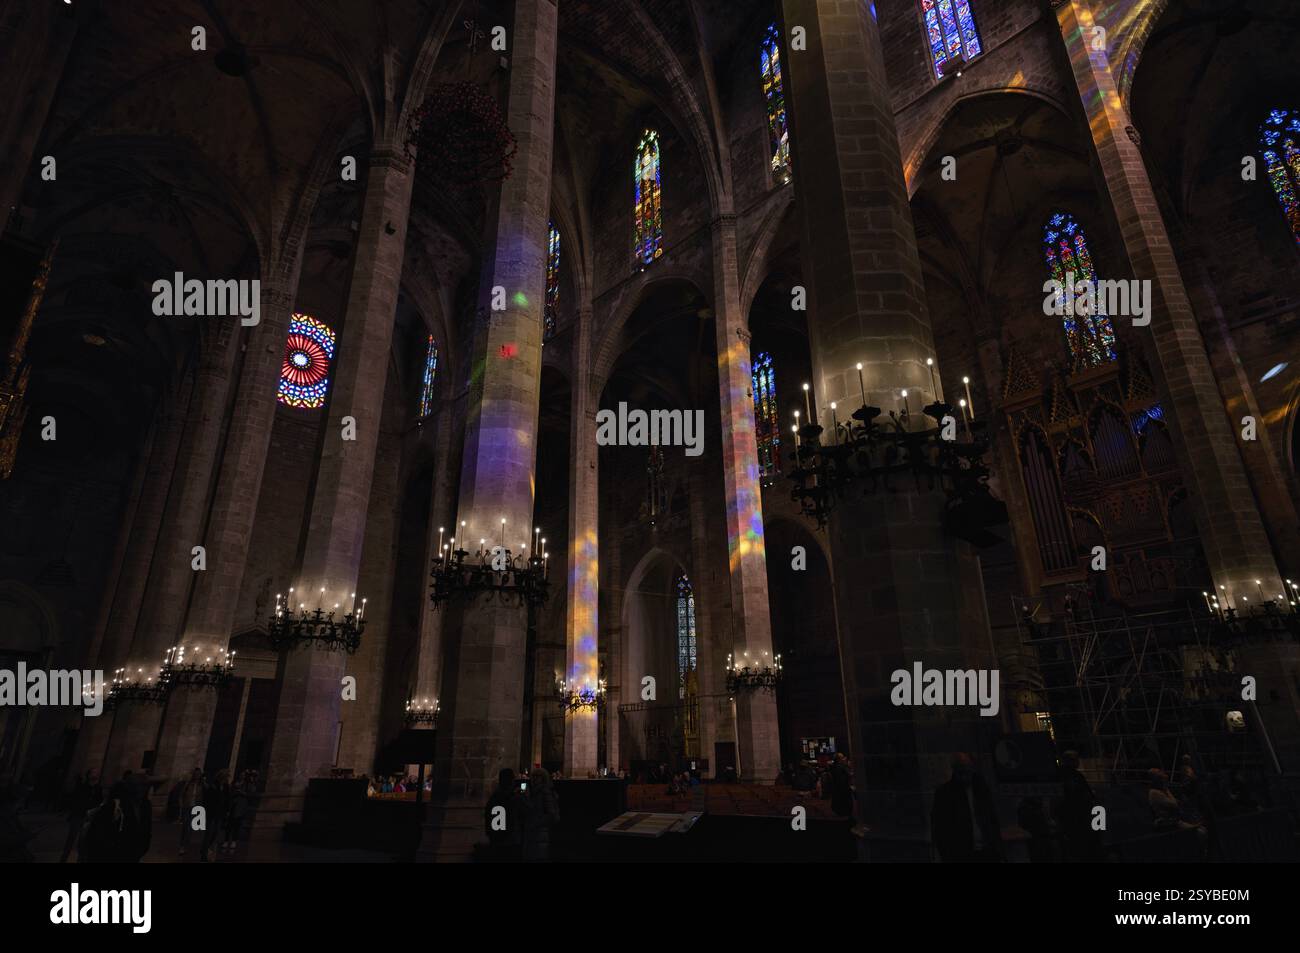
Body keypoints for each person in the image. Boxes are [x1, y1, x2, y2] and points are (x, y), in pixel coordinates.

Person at [931, 753, 1003, 862]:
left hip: (986, 851)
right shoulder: (945, 793)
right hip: (962, 853)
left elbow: (991, 819)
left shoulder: (981, 789)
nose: (967, 773)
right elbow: (940, 828)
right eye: (962, 769)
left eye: (968, 768)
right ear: (956, 770)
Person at [1056, 750, 1102, 862]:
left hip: (1072, 816)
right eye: (1076, 760)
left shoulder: (1064, 775)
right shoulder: (1072, 776)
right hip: (1078, 815)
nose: (1078, 762)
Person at [483, 768, 529, 862]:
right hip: (509, 840)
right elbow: (524, 812)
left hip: (496, 839)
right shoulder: (513, 798)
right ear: (511, 781)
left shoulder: (495, 796)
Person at [60, 769, 103, 863]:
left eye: (97, 773)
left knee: (82, 843)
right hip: (78, 816)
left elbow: (99, 802)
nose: (96, 775)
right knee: (70, 840)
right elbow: (76, 800)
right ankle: (63, 859)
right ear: (89, 775)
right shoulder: (82, 787)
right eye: (94, 773)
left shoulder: (98, 788)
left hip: (88, 818)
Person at [523, 768, 560, 862]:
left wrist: (536, 822)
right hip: (534, 832)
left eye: (537, 776)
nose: (534, 779)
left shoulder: (545, 792)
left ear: (543, 778)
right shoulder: (534, 792)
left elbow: (550, 814)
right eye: (533, 776)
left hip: (540, 832)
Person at [201, 769, 232, 862]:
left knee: (216, 833)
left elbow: (227, 800)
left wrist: (227, 810)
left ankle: (210, 850)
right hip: (212, 813)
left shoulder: (226, 787)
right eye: (225, 776)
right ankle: (204, 851)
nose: (226, 778)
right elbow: (208, 800)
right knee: (209, 833)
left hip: (220, 813)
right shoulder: (213, 786)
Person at [178, 768, 205, 856]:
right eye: (196, 774)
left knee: (190, 827)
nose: (197, 776)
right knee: (185, 826)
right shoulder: (188, 784)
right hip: (187, 807)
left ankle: (186, 845)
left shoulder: (202, 785)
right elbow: (182, 794)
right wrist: (181, 804)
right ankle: (182, 845)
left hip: (195, 808)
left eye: (198, 774)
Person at [830, 752, 854, 818]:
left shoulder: (834, 766)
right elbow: (849, 774)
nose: (844, 758)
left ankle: (841, 813)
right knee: (845, 802)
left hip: (837, 787)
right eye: (842, 757)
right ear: (839, 759)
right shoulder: (841, 766)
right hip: (843, 787)